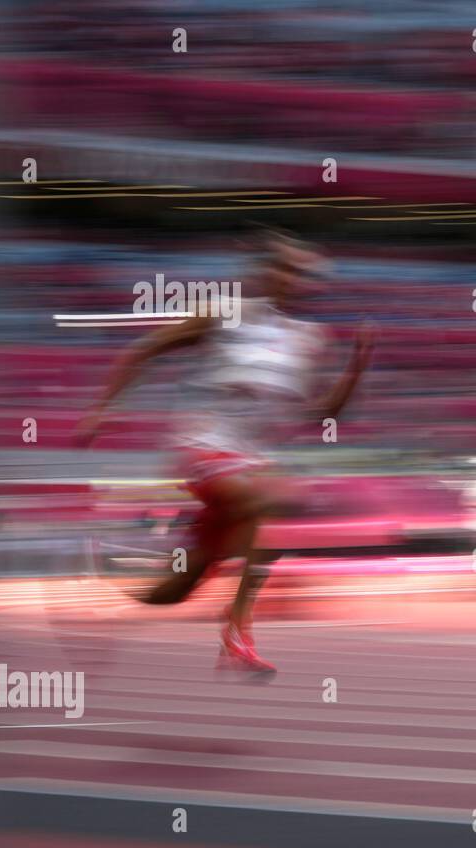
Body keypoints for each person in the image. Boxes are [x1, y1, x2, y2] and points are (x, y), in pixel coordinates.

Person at [77, 230, 374, 675]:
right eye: (284, 268)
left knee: (177, 590)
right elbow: (146, 349)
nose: (293, 279)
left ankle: (131, 593)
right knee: (275, 498)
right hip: (203, 446)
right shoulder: (223, 313)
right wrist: (102, 409)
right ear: (262, 271)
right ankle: (236, 630)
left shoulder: (309, 337)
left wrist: (357, 365)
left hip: (251, 460)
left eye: (302, 272)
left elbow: (323, 411)